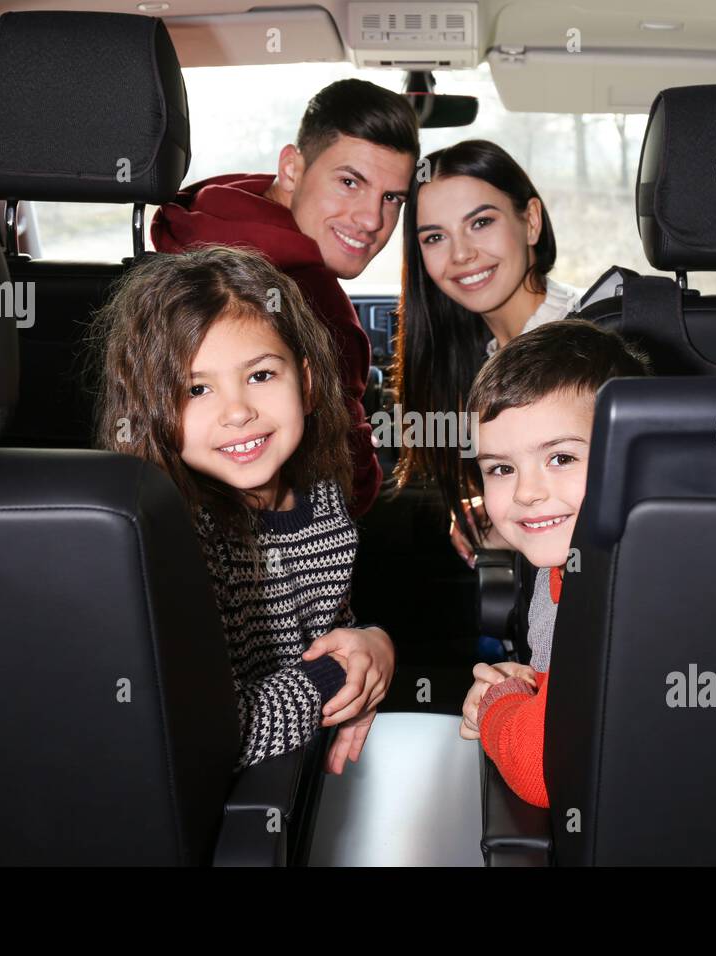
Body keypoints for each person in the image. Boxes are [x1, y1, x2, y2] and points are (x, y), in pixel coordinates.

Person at [92, 245, 395, 774]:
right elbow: (214, 734)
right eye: (196, 389)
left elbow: (325, 631)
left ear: (305, 382)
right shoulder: (180, 542)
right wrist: (341, 676)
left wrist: (371, 644)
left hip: (298, 771)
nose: (237, 411)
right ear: (151, 411)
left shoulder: (322, 499)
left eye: (260, 375)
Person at [150, 78, 421, 520]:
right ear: (292, 169)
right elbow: (348, 485)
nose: (373, 219)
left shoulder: (199, 222)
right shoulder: (309, 298)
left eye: (391, 198)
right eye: (350, 182)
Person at [458, 320, 652, 807]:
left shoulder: (626, 591)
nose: (527, 492)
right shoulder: (567, 568)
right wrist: (526, 685)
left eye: (561, 458)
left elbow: (547, 768)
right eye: (501, 469)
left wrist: (497, 707)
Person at [391, 140, 582, 565]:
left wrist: (507, 528)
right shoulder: (485, 352)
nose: (461, 254)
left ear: (530, 221)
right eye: (436, 237)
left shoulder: (588, 343)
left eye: (480, 223)